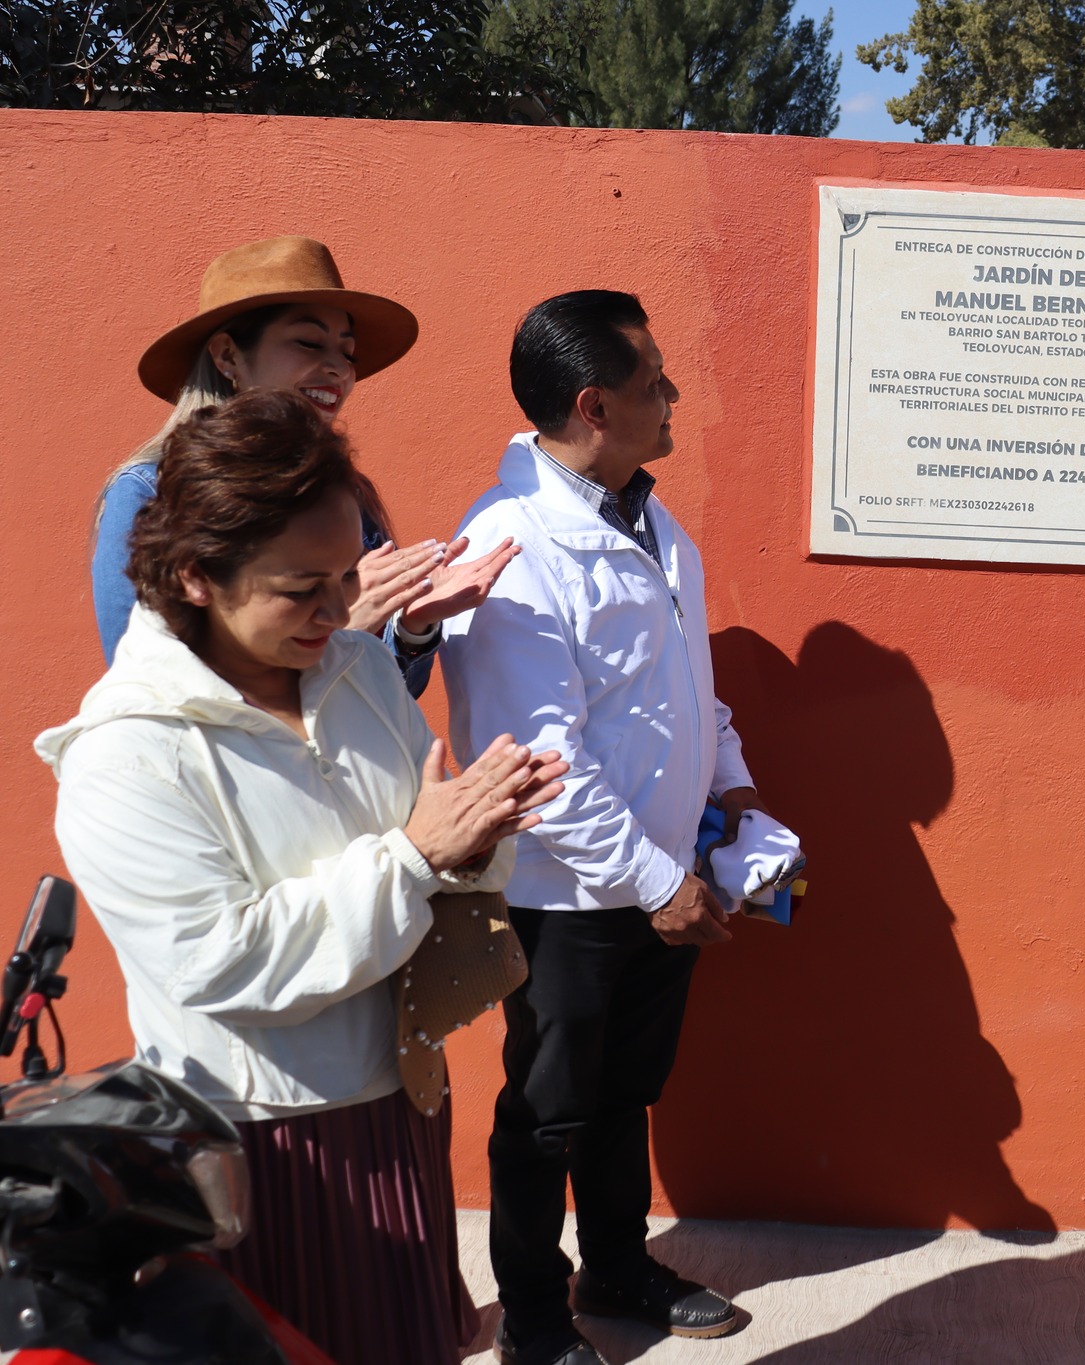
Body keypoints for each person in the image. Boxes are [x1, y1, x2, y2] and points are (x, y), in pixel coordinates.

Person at [37, 390, 567, 1365]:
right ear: (196, 576)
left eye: (345, 574)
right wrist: (417, 854)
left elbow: (439, 845)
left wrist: (485, 826)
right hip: (262, 1149)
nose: (339, 608)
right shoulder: (128, 752)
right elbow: (221, 964)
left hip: (399, 1110)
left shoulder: (358, 673)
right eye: (300, 587)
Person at [440, 291, 762, 1365]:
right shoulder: (512, 543)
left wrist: (741, 797)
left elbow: (686, 690)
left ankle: (619, 1270)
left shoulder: (648, 518)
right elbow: (541, 761)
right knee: (546, 1115)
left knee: (623, 1096)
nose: (672, 397)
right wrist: (655, 881)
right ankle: (536, 1318)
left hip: (658, 878)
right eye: (653, 383)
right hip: (566, 895)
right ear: (593, 404)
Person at [93, 234, 516, 692]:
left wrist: (412, 627)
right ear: (228, 355)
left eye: (348, 352)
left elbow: (388, 697)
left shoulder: (342, 491)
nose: (340, 368)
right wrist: (345, 629)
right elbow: (151, 691)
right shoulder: (147, 493)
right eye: (309, 343)